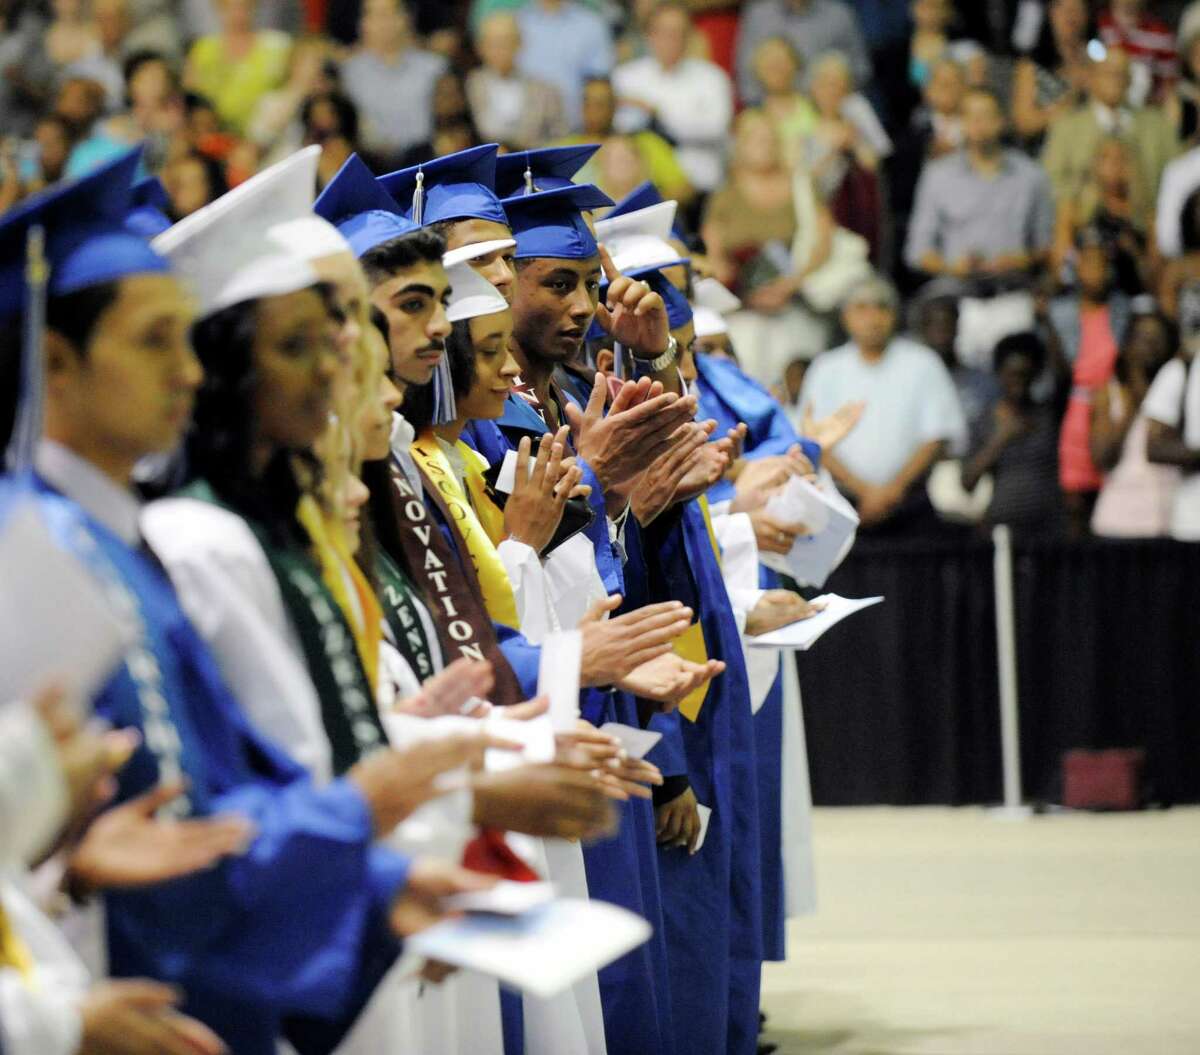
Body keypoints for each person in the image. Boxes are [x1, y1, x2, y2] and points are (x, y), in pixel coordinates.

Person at [0, 147, 495, 1055]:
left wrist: (374, 881)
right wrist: (363, 814)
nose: (188, 373)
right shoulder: (34, 555)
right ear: (57, 362)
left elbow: (223, 783)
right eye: (155, 342)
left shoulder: (118, 542)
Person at [801, 275, 967, 533]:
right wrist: (866, 492)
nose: (873, 317)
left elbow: (937, 437)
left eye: (882, 307)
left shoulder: (923, 363)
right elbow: (812, 439)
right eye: (862, 308)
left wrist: (891, 491)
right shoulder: (826, 369)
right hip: (843, 505)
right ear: (846, 317)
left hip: (912, 504)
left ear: (894, 315)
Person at [701, 109, 834, 387]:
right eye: (755, 139)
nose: (764, 146)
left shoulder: (802, 184)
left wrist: (789, 285)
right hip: (743, 309)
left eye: (769, 139)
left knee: (801, 377)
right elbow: (713, 257)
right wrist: (746, 292)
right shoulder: (726, 193)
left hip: (798, 301)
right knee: (746, 372)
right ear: (741, 144)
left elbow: (823, 241)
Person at [906, 86, 1055, 286]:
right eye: (969, 116)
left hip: (1014, 287)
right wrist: (952, 267)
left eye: (985, 115)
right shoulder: (937, 175)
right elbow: (916, 252)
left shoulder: (1031, 175)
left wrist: (1021, 260)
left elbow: (1046, 246)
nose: (977, 123)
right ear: (961, 122)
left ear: (1001, 121)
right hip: (955, 290)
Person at [611, 2, 734, 195]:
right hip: (638, 188)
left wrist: (659, 113)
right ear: (648, 35)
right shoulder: (625, 77)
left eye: (678, 32)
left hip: (700, 187)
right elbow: (621, 129)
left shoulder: (712, 77)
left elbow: (716, 128)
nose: (670, 39)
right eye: (662, 32)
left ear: (690, 36)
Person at [1053, 226, 1127, 535]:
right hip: (1076, 412)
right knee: (1076, 506)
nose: (1095, 270)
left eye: (1102, 262)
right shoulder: (1059, 312)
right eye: (1088, 262)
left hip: (1114, 409)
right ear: (1076, 266)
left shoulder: (1123, 309)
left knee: (1115, 501)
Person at [1041, 46, 1178, 208]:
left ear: (1130, 80)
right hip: (1082, 224)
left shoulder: (1157, 126)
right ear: (1091, 77)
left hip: (1147, 223)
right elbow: (1050, 181)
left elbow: (1177, 178)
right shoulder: (1066, 127)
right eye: (1108, 72)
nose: (1115, 79)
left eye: (1121, 74)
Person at [962, 331, 1067, 538]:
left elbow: (1064, 376)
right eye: (1012, 374)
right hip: (1002, 527)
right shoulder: (984, 421)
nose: (1018, 382)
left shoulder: (1049, 414)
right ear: (999, 373)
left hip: (1050, 527)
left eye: (1025, 374)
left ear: (1036, 373)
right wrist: (1001, 438)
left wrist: (1046, 322)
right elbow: (967, 482)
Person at [1091, 307, 1180, 537]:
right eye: (1142, 338)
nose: (1149, 347)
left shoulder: (1180, 392)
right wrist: (1133, 403)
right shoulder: (1110, 394)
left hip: (1170, 520)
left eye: (1157, 340)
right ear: (1127, 344)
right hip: (1119, 522)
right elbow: (1102, 457)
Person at [798, 50, 889, 261]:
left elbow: (873, 169)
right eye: (825, 83)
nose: (831, 91)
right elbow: (801, 181)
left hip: (855, 219)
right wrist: (832, 152)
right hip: (816, 220)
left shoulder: (856, 128)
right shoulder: (803, 130)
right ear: (813, 88)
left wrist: (853, 143)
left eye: (838, 84)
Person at [340, 0, 448, 167]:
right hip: (368, 164)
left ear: (406, 18)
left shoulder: (435, 68)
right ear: (362, 23)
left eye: (388, 14)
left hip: (426, 161)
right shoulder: (348, 73)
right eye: (373, 15)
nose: (382, 23)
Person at [560, 76, 693, 208]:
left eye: (601, 104)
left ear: (615, 106)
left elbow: (683, 189)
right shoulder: (562, 150)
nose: (594, 110)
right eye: (588, 102)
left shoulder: (644, 143)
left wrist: (644, 207)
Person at [1051, 136, 1152, 296]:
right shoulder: (1075, 212)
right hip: (1083, 299)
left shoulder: (1145, 215)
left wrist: (1132, 252)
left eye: (1122, 158)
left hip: (1132, 295)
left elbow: (1154, 270)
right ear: (1094, 165)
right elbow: (1060, 268)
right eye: (1106, 158)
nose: (1115, 165)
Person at [735, 0, 871, 107]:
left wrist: (831, 94)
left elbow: (860, 70)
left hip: (830, 109)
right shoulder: (758, 15)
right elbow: (747, 81)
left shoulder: (839, 15)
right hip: (772, 115)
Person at [184, 0, 291, 135]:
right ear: (219, 10)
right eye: (231, 8)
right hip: (213, 134)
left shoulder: (277, 47)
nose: (238, 14)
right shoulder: (202, 49)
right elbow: (192, 95)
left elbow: (290, 90)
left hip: (267, 134)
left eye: (244, 7)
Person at [467, 13, 566, 150]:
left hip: (532, 162)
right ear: (480, 47)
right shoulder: (469, 85)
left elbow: (560, 139)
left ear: (520, 44)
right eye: (492, 42)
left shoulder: (544, 90)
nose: (500, 49)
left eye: (506, 41)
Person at [514, 0, 615, 133]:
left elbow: (600, 84)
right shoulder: (517, 22)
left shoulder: (591, 24)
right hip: (524, 131)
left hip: (580, 129)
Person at [1010, 0, 1091, 146]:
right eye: (1063, 9)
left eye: (1077, 10)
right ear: (1051, 13)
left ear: (1086, 16)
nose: (1070, 16)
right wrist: (1065, 107)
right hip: (1043, 149)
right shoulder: (1031, 66)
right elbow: (1023, 124)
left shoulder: (1095, 63)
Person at [1097, 0, 1177, 106]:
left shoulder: (1162, 34)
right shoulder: (1097, 24)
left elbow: (1169, 84)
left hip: (1146, 107)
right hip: (1100, 106)